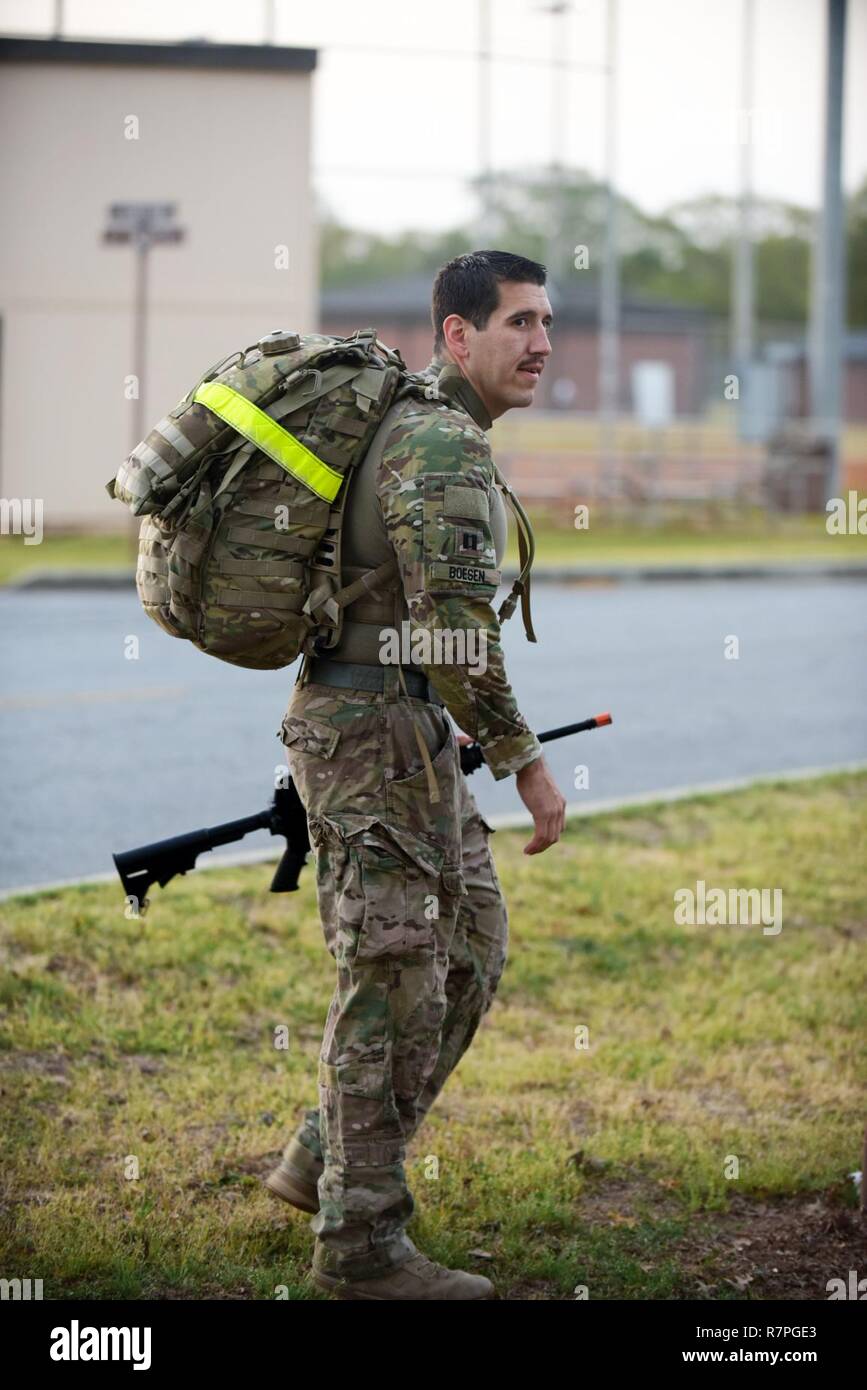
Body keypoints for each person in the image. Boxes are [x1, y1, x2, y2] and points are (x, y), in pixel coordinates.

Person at [265, 250, 567, 1300]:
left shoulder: (444, 433)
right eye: (519, 323)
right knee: (388, 979)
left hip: (408, 730)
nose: (540, 343)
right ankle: (360, 1247)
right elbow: (454, 634)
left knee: (471, 948)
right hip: (366, 734)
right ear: (456, 335)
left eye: (545, 322)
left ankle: (325, 1156)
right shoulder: (438, 442)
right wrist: (527, 763)